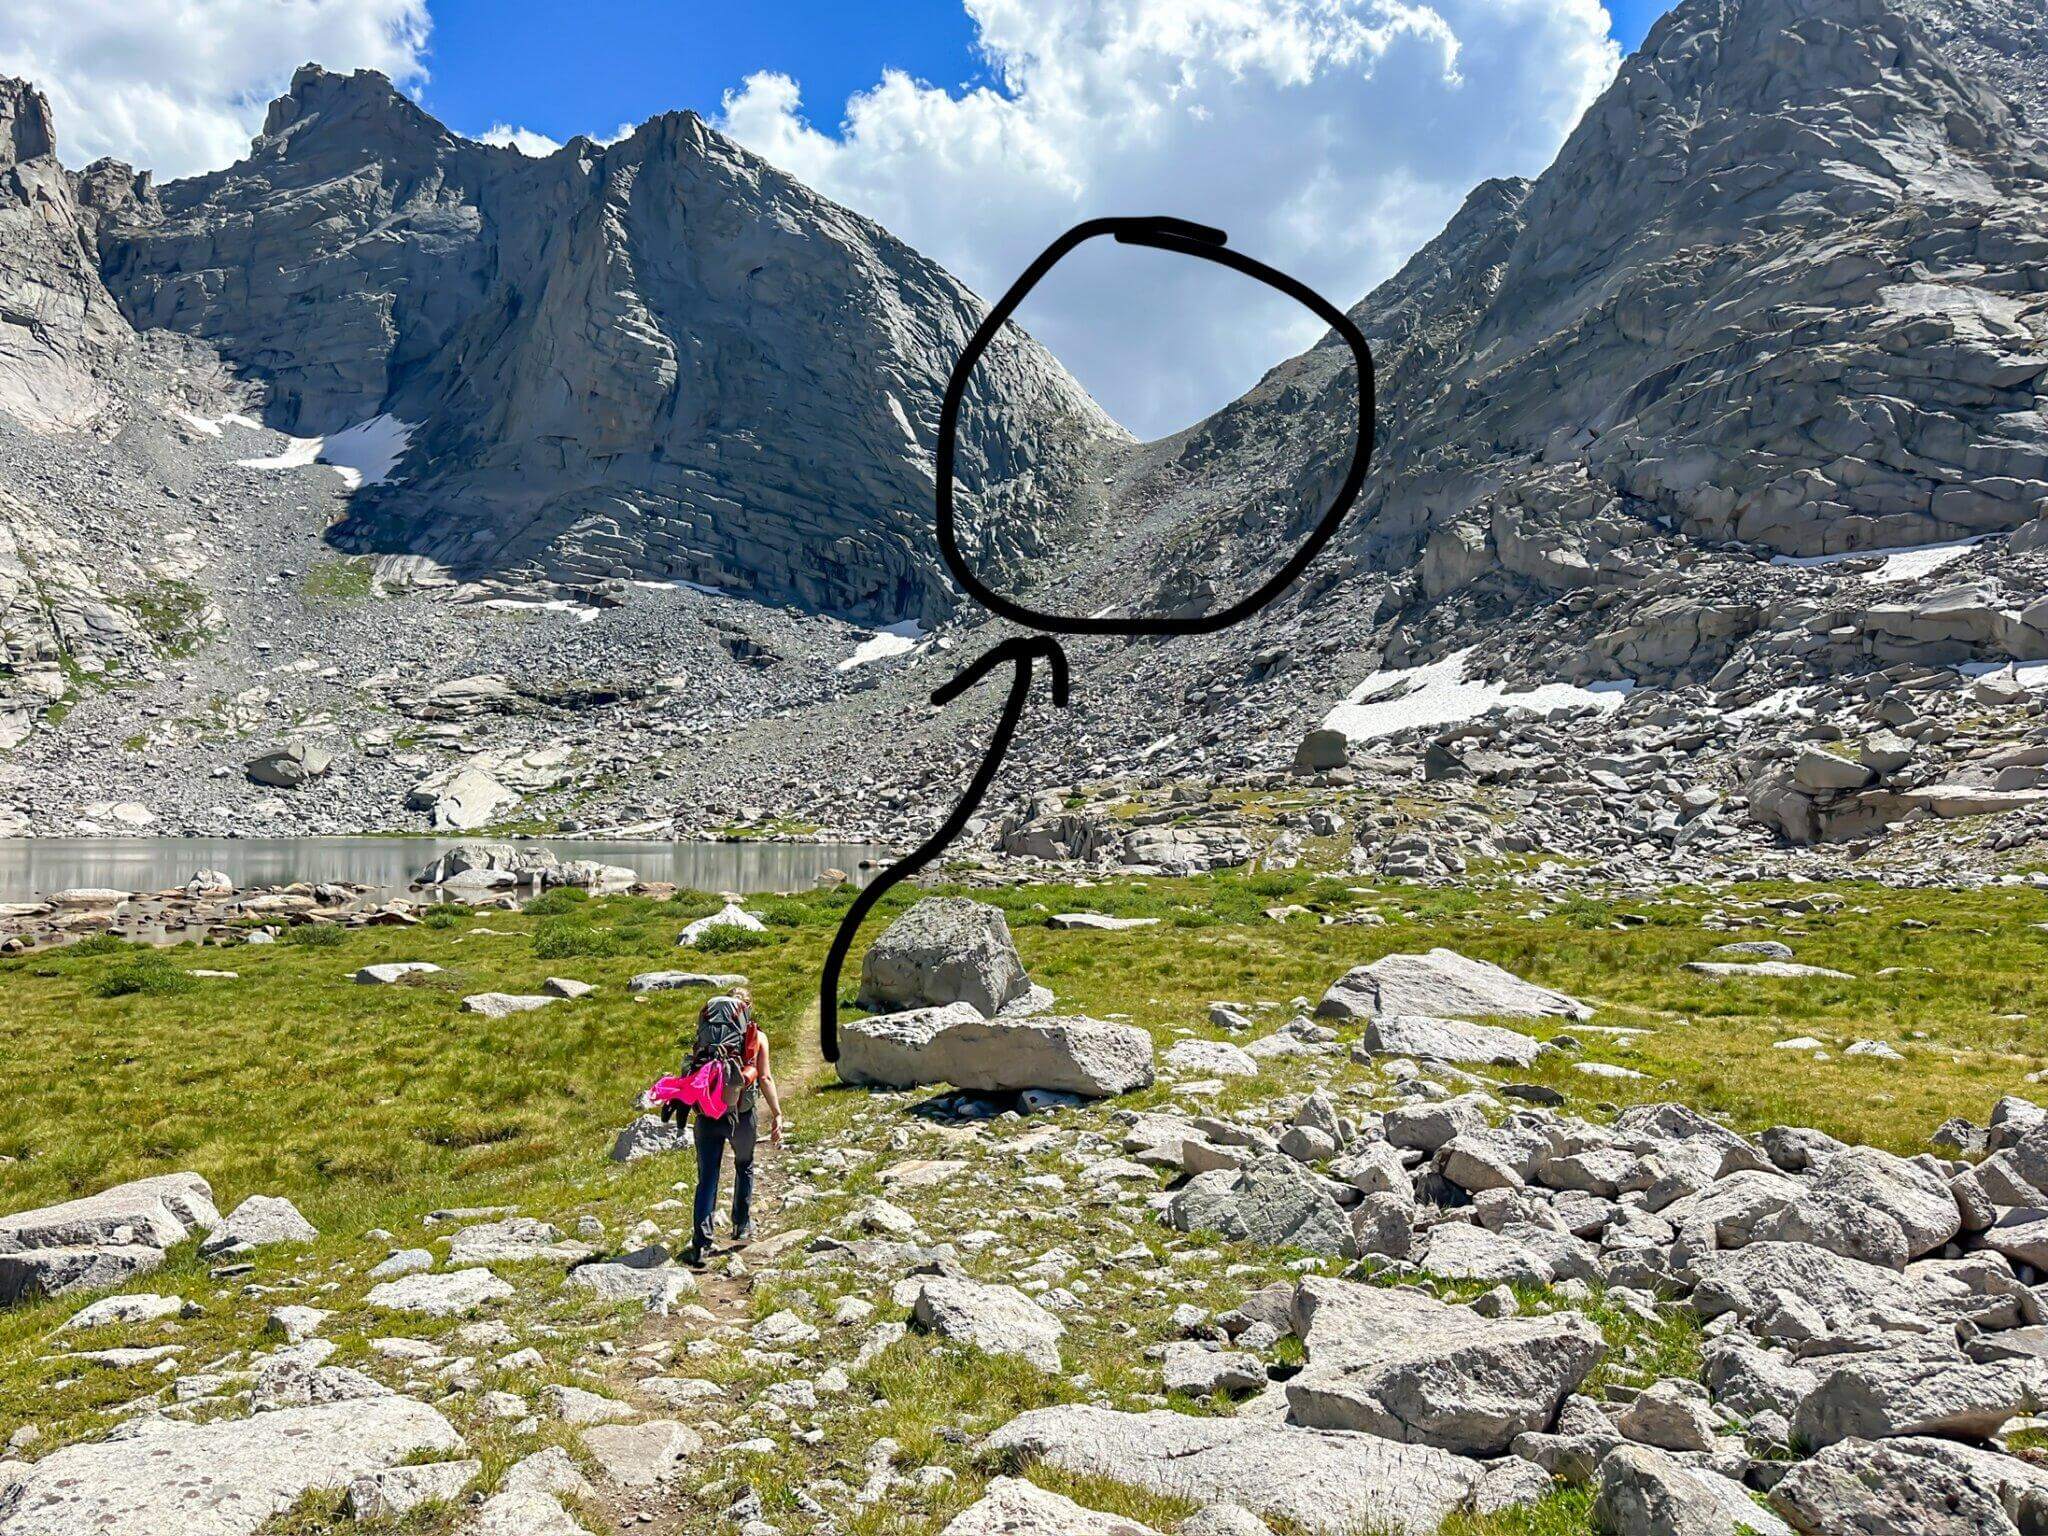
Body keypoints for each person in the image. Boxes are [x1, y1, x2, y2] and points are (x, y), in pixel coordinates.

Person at [681, 984, 782, 1265]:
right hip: (742, 1114)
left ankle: (701, 1244)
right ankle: (741, 1224)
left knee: (708, 1178)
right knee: (744, 1164)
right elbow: (765, 1078)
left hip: (707, 1115)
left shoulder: (707, 1034)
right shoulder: (756, 1036)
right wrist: (777, 1113)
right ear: (748, 1008)